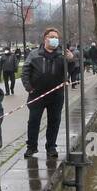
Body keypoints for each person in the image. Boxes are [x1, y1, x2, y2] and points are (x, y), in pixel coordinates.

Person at [21, 27, 81, 159]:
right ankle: (31, 147)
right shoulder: (34, 54)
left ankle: (51, 147)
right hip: (37, 94)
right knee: (33, 121)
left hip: (56, 95)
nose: (54, 39)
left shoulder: (62, 54)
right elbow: (25, 71)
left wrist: (71, 60)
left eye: (56, 37)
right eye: (52, 37)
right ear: (45, 38)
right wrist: (29, 87)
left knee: (54, 121)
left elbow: (72, 72)